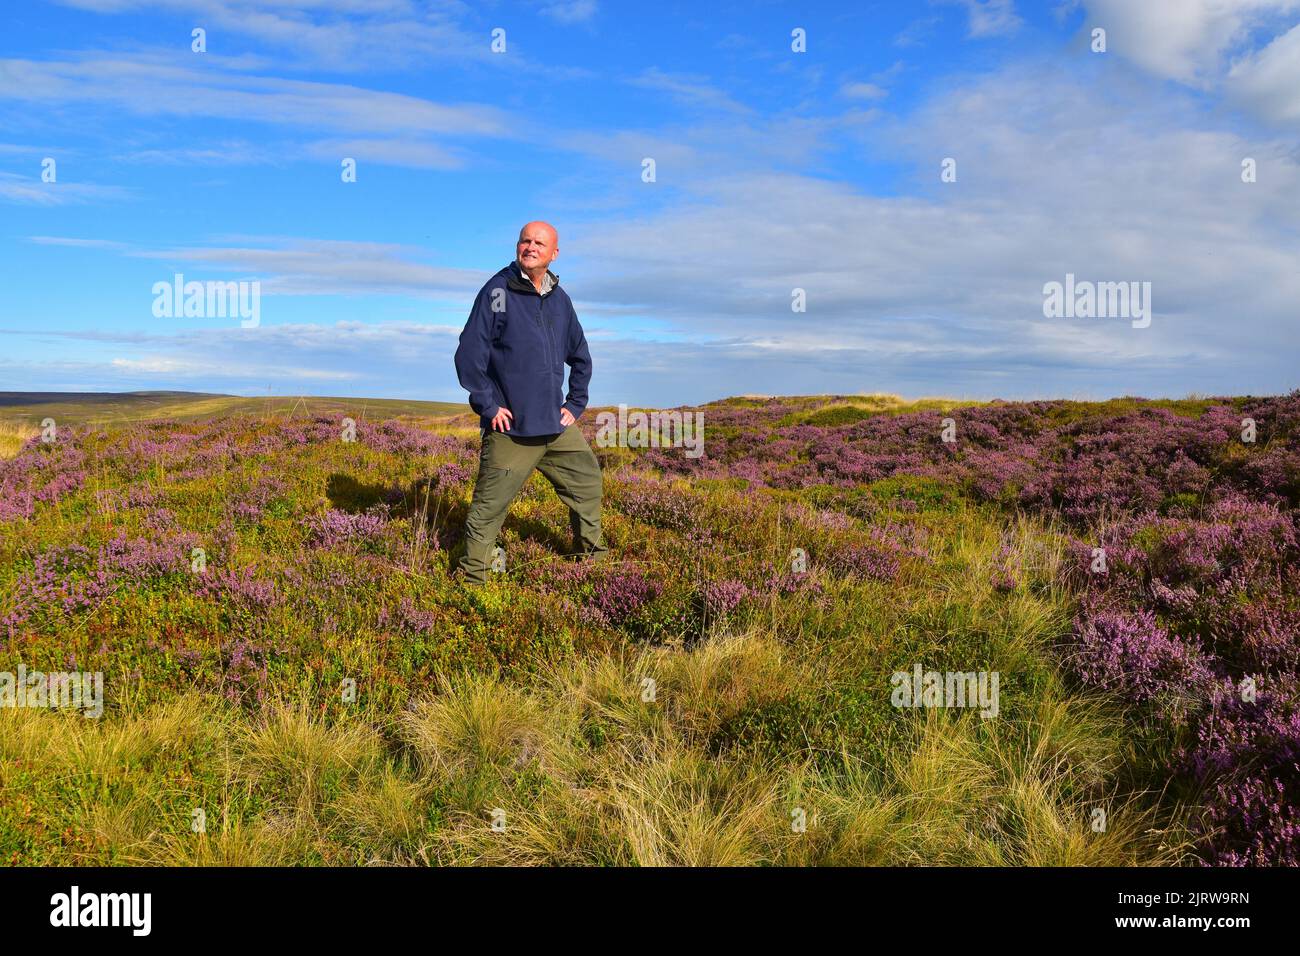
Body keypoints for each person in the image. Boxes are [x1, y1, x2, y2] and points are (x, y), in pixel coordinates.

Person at [449, 221, 608, 585]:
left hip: (554, 426)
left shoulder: (559, 299)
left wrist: (576, 402)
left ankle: (595, 564)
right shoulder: (498, 292)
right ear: (518, 246)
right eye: (525, 240)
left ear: (554, 253)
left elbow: (580, 355)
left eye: (540, 242)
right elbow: (469, 355)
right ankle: (472, 580)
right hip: (512, 429)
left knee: (586, 482)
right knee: (489, 509)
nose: (531, 246)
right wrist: (489, 406)